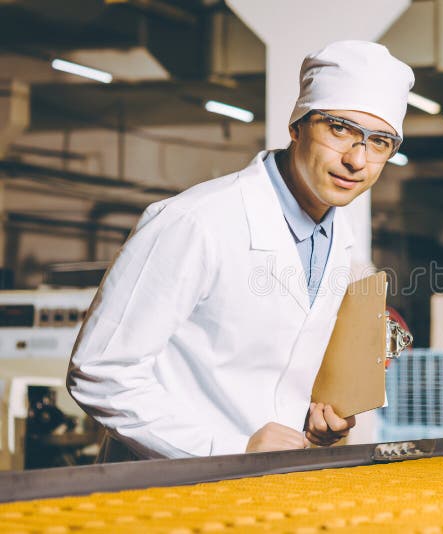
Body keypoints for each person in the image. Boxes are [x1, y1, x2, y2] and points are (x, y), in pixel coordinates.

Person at [67, 40, 414, 460]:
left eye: (379, 142)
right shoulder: (194, 222)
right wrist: (229, 448)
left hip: (264, 493)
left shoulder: (337, 237)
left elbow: (263, 371)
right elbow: (100, 373)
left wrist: (310, 416)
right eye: (339, 129)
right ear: (296, 126)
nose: (357, 159)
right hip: (169, 492)